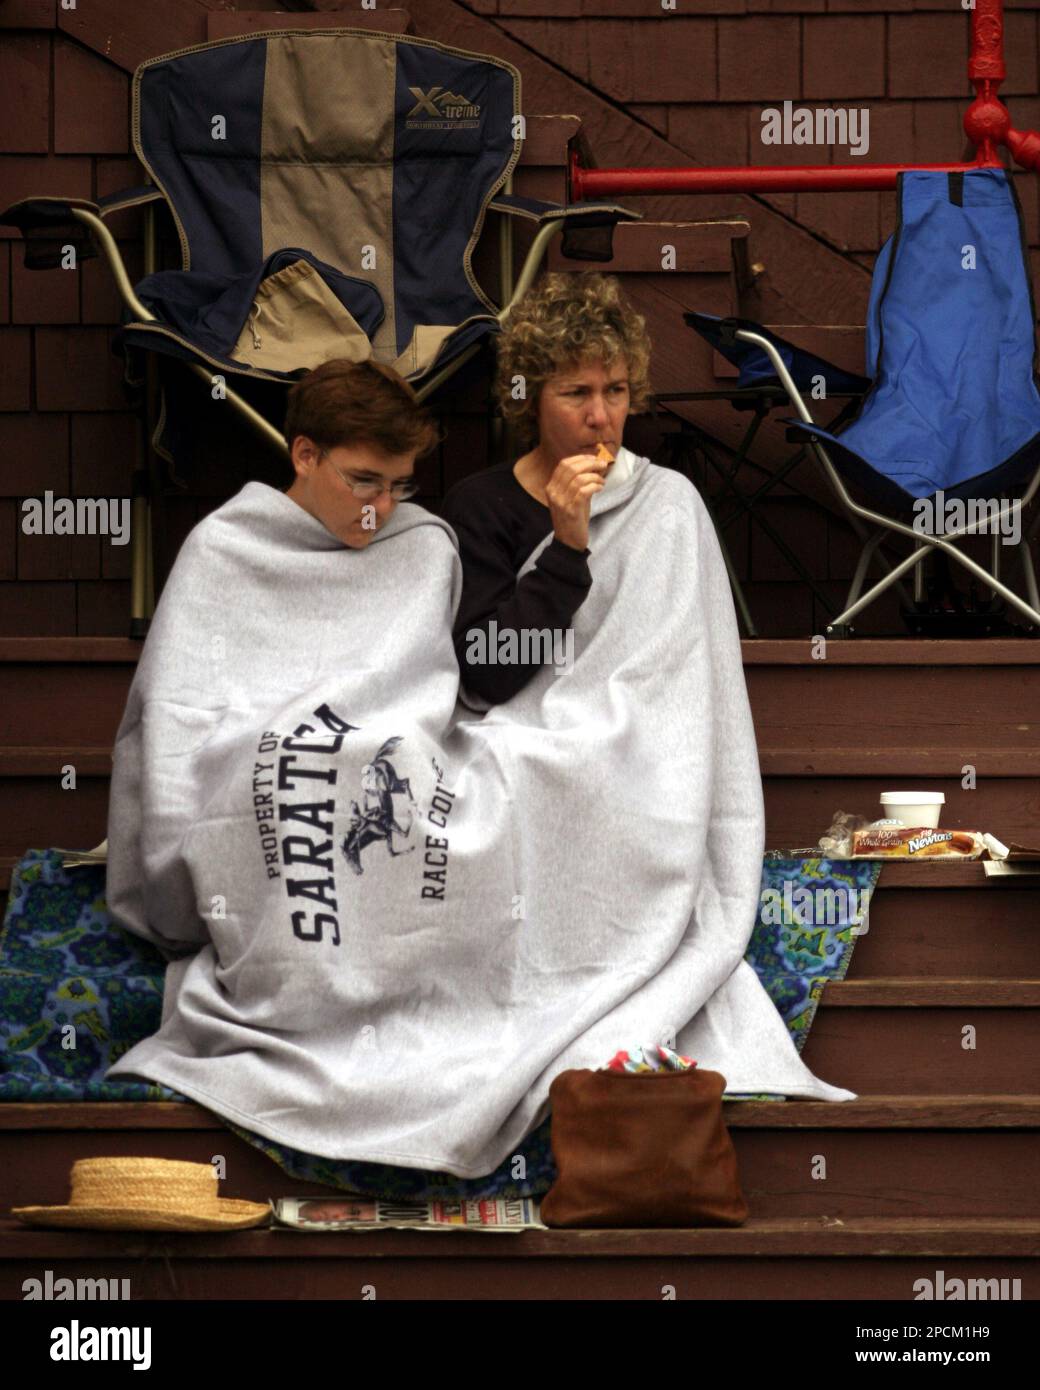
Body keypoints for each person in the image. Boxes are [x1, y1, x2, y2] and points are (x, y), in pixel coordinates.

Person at [439, 271, 651, 705]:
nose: (600, 416)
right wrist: (566, 553)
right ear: (531, 400)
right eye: (576, 393)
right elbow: (487, 674)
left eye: (615, 390)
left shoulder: (664, 500)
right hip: (527, 736)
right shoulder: (480, 507)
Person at [281, 357, 439, 545]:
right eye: (365, 482)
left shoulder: (425, 546)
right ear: (306, 456)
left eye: (399, 485)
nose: (381, 509)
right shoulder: (240, 552)